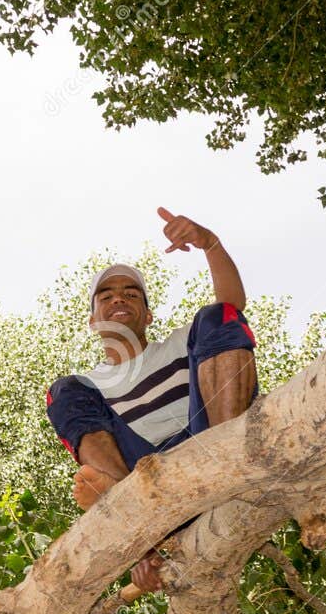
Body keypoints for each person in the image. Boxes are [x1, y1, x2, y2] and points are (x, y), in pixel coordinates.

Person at [46, 208, 258, 592]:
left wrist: (209, 242)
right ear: (94, 320)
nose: (119, 299)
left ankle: (230, 458)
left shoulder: (179, 344)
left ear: (148, 315)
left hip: (206, 441)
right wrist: (145, 554)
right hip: (149, 475)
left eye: (131, 294)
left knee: (218, 315)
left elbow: (232, 303)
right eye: (106, 296)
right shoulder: (91, 386)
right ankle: (132, 511)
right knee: (63, 390)